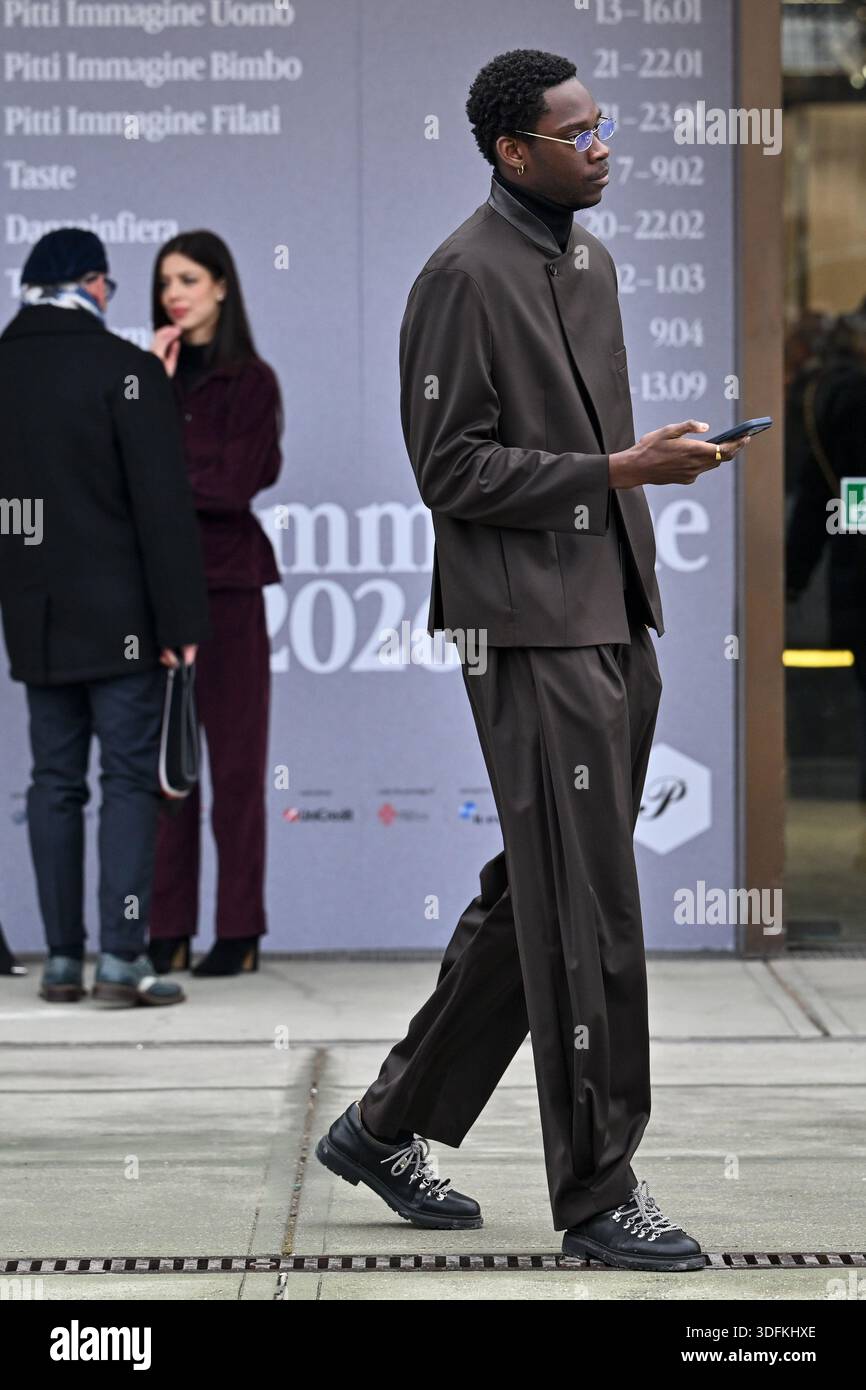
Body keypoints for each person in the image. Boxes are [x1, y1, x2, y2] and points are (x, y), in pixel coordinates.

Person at [315, 49, 750, 1270]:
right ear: (513, 151)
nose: (601, 145)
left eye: (602, 124)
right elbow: (449, 469)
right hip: (523, 628)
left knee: (544, 892)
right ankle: (599, 1191)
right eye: (576, 132)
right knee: (585, 908)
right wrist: (620, 469)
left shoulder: (589, 261)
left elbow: (582, 448)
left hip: (616, 613)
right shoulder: (458, 275)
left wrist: (644, 462)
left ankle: (381, 1125)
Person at [0, 228, 210, 1007]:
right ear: (92, 283)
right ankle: (121, 959)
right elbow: (162, 511)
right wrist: (180, 624)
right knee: (126, 782)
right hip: (126, 619)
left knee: (53, 783)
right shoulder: (128, 370)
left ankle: (61, 960)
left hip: (34, 617)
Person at [146, 232, 283, 977]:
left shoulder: (252, 382)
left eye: (189, 279)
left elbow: (234, 486)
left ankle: (239, 931)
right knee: (164, 769)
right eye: (166, 281)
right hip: (154, 594)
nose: (175, 294)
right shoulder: (146, 379)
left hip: (228, 588)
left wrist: (161, 483)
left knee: (234, 767)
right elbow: (119, 476)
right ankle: (164, 929)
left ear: (222, 286)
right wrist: (153, 386)